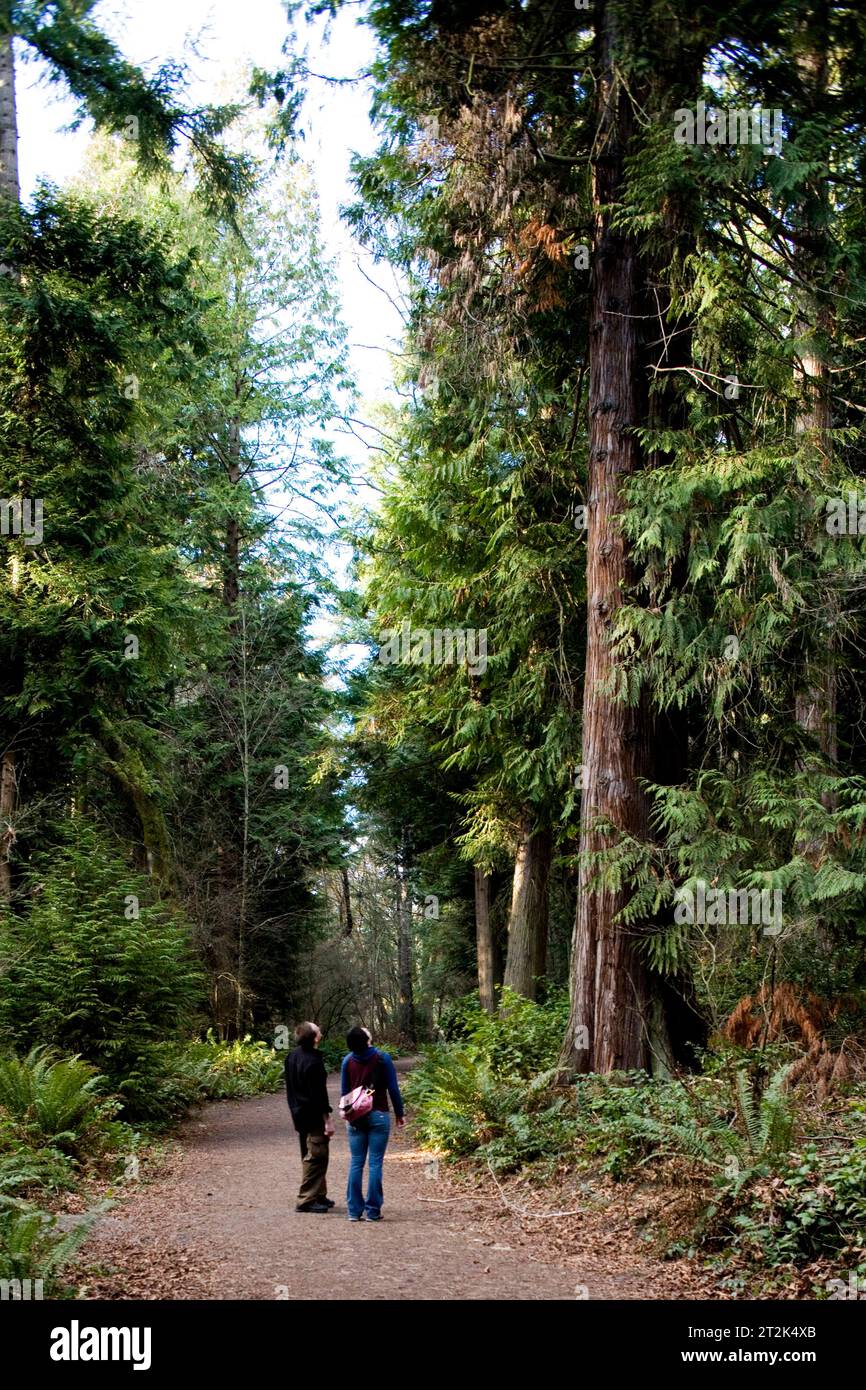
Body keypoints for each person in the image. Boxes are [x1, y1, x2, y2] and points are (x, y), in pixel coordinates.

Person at [341, 1026, 405, 1222]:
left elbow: (345, 1093)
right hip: (378, 1114)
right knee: (375, 1162)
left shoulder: (347, 1060)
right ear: (367, 1040)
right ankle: (373, 1211)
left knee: (356, 1162)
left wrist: (348, 1113)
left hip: (355, 1117)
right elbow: (393, 1089)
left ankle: (353, 1211)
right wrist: (399, 1113)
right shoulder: (382, 1058)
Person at [285, 1021, 335, 1214]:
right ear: (315, 1038)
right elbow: (319, 1095)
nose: (321, 1031)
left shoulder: (292, 1057)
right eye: (318, 1030)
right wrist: (327, 1119)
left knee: (310, 1152)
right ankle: (306, 1199)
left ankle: (319, 1194)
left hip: (298, 1112)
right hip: (312, 1115)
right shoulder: (313, 1062)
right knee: (317, 1155)